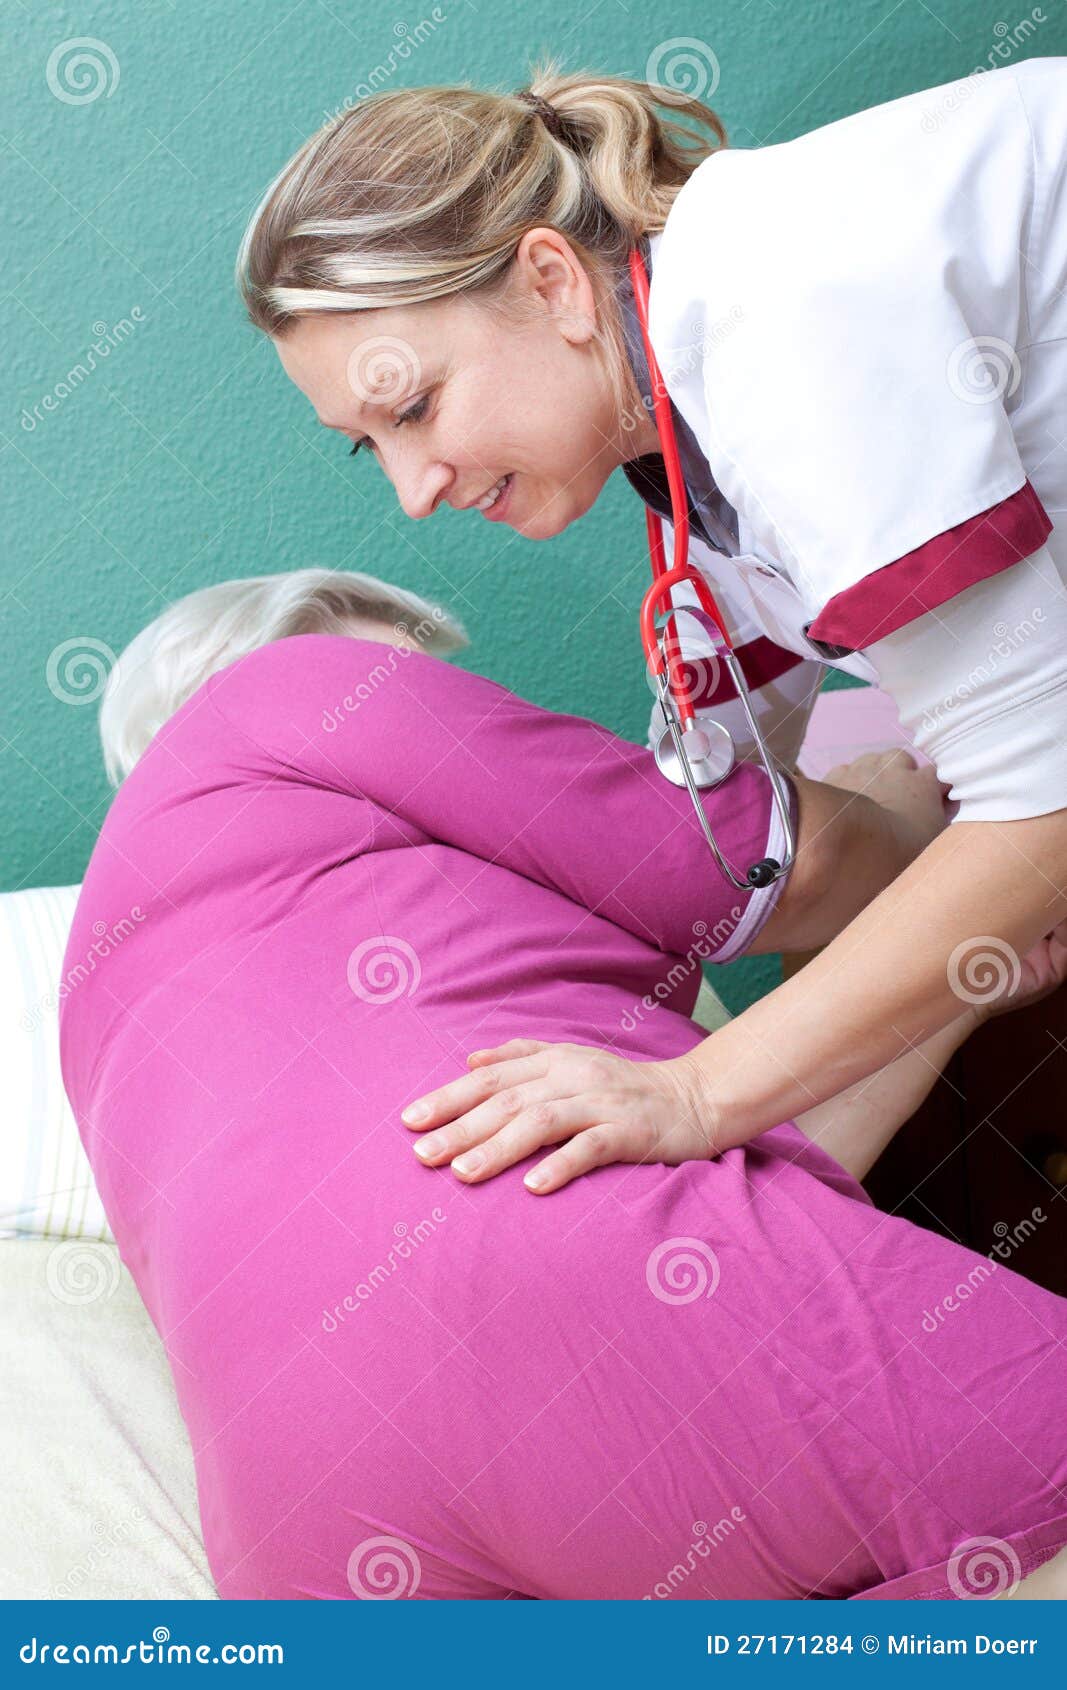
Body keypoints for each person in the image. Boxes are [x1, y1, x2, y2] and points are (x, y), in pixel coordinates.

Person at [59, 570, 1067, 1601]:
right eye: (420, 687)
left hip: (300, 1541)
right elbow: (771, 867)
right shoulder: (287, 689)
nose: (468, 719)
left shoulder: (94, 1000)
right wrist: (910, 822)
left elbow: (715, 1176)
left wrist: (958, 987)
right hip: (557, 1283)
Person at [233, 55, 1067, 1191]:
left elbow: (1043, 807)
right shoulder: (688, 467)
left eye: (415, 406)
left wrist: (691, 1093)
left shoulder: (785, 317)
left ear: (552, 283)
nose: (410, 490)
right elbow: (692, 836)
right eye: (365, 444)